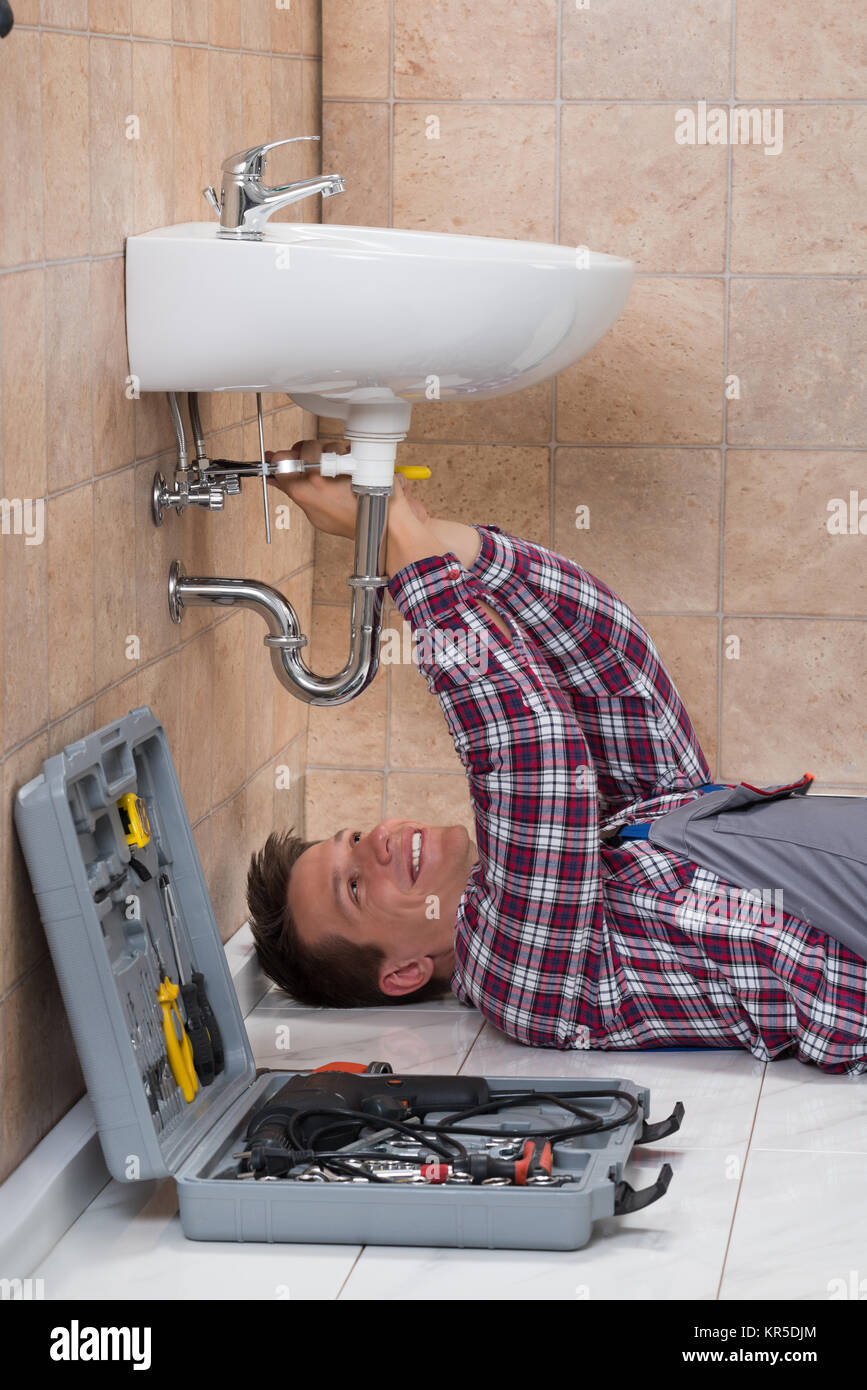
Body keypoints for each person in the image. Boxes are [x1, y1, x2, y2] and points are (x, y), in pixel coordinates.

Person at [247, 440, 867, 1074]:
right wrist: (398, 545)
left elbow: (614, 665)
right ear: (404, 972)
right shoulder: (520, 985)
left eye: (351, 837)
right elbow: (531, 752)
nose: (375, 840)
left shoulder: (603, 854)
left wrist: (434, 537)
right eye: (354, 886)